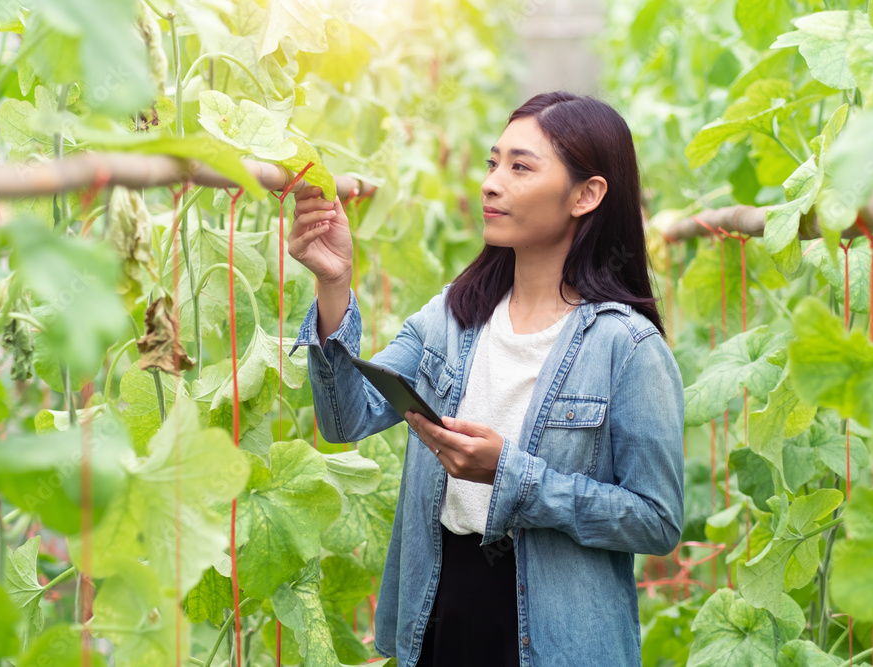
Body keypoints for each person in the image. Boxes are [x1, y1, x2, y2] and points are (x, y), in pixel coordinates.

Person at [287, 91, 684, 667]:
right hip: (440, 610)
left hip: (559, 636)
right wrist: (333, 284)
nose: (492, 183)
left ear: (587, 195)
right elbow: (346, 419)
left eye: (521, 167)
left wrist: (514, 478)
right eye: (494, 162)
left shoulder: (627, 347)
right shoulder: (451, 315)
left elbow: (657, 520)